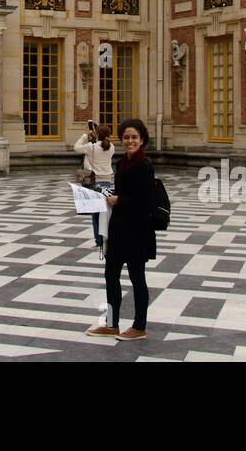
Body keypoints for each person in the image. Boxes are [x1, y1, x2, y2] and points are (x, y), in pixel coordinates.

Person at [87, 118, 156, 341]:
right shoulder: (122, 163)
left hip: (137, 232)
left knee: (137, 279)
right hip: (118, 230)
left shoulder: (145, 165)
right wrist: (106, 197)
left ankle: (139, 326)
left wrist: (120, 201)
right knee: (110, 275)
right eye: (126, 137)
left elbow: (146, 202)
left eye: (134, 137)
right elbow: (123, 191)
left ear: (142, 139)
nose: (130, 141)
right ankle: (111, 324)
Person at [73, 121, 115, 257]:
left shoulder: (91, 147)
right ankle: (106, 239)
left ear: (97, 134)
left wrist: (85, 135)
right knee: (105, 214)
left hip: (94, 182)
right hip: (107, 182)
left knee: (95, 215)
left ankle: (99, 241)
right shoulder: (111, 147)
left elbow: (76, 148)